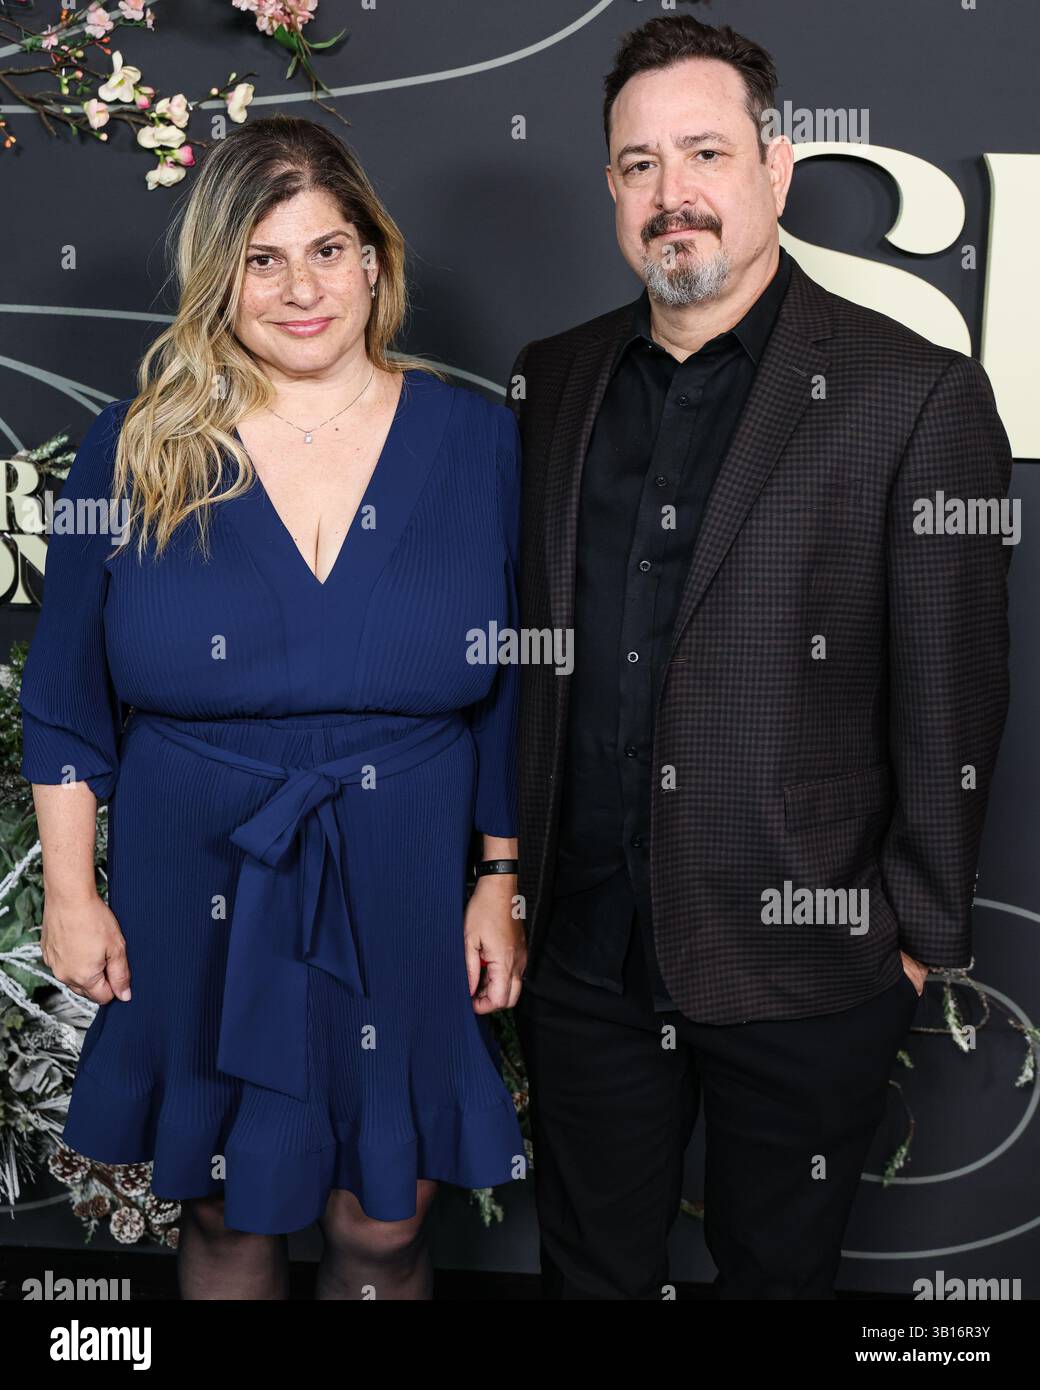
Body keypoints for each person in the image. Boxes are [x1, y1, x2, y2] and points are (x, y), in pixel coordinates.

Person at [509, 15, 1013, 1299]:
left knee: (775, 1278)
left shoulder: (915, 393)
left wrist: (914, 943)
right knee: (588, 1275)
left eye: (703, 153)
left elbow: (951, 695)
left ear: (774, 171)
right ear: (611, 189)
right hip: (585, 956)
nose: (671, 194)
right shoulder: (554, 380)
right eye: (635, 164)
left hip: (806, 966)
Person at [19, 114, 526, 1301]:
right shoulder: (136, 449)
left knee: (387, 1221)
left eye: (329, 250)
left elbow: (513, 688)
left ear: (375, 263)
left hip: (399, 862)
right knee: (223, 1212)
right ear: (219, 280)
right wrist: (74, 892)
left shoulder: (479, 442)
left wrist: (498, 877)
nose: (302, 289)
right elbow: (63, 697)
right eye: (262, 259)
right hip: (194, 863)